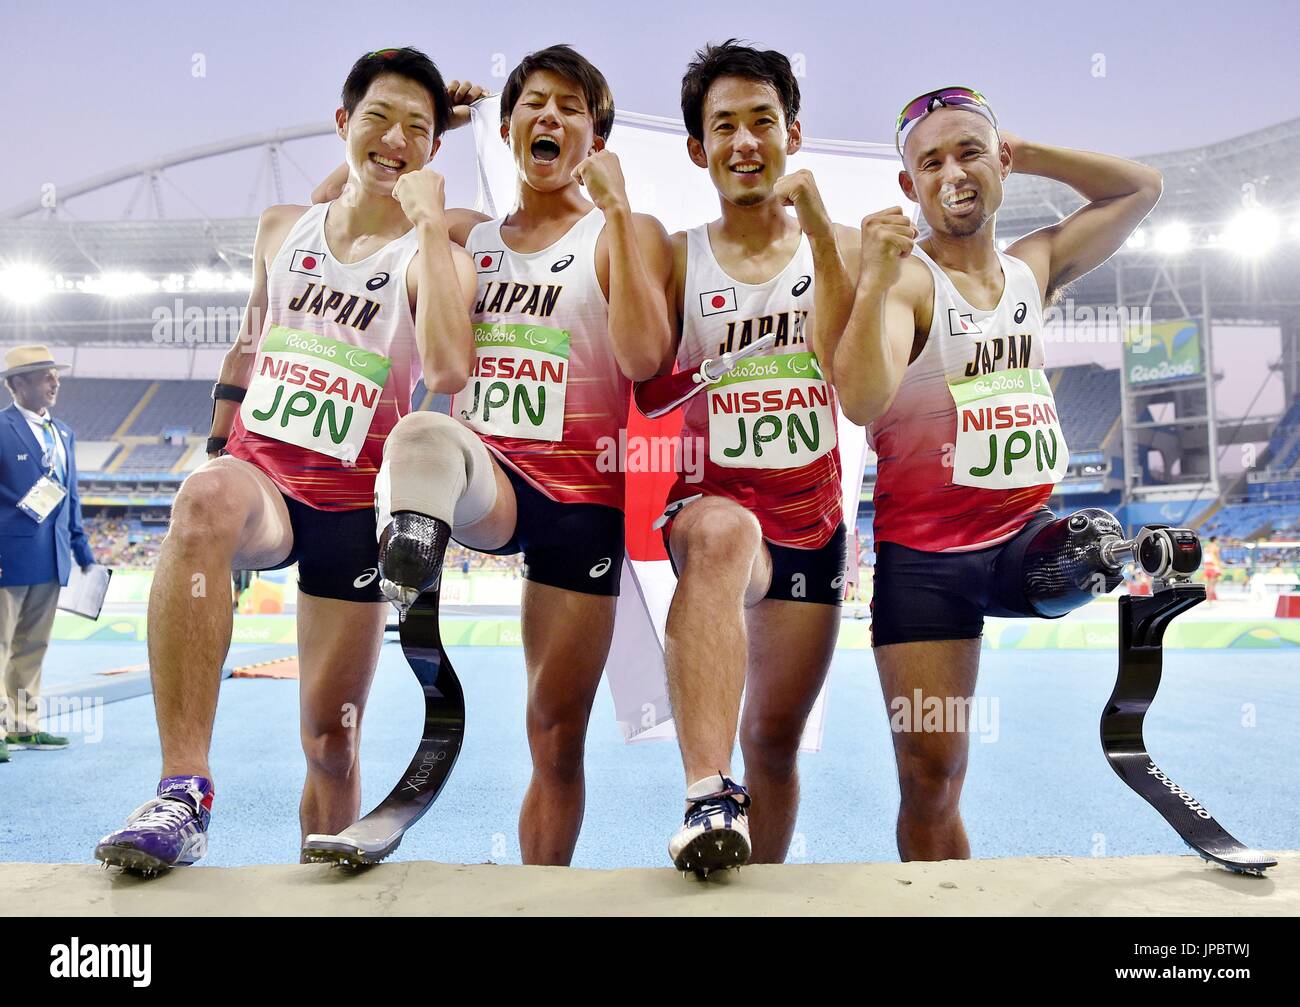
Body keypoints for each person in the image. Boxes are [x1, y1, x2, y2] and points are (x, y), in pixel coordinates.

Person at [94, 47, 478, 873]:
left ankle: (320, 886)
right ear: (342, 124)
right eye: (377, 117)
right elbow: (245, 345)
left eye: (419, 127)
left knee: (329, 745)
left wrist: (428, 222)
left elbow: (446, 369)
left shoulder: (435, 246)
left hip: (354, 509)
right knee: (200, 499)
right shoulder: (281, 227)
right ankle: (182, 792)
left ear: (435, 152)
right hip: (264, 479)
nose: (396, 138)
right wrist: (218, 448)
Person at [328, 45, 673, 866]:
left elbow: (644, 358)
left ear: (596, 137)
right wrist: (424, 131)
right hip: (491, 481)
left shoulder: (620, 233)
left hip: (581, 506)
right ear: (509, 123)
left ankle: (538, 890)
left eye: (571, 107)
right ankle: (414, 591)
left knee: (556, 737)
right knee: (421, 432)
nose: (549, 116)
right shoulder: (464, 233)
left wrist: (620, 215)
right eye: (533, 102)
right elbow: (343, 205)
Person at [828, 86, 1162, 861]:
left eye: (971, 152)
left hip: (1026, 545)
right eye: (931, 162)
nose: (954, 172)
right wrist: (874, 280)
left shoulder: (1032, 267)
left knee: (1096, 541)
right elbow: (860, 400)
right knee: (932, 777)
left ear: (1000, 164)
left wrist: (1022, 148)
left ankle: (1088, 561)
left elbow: (1142, 188)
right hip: (928, 568)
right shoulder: (910, 283)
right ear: (910, 187)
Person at [642, 41, 857, 873]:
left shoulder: (830, 245)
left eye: (761, 121)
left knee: (774, 740)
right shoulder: (676, 255)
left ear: (791, 134)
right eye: (722, 125)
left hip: (812, 520)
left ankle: (755, 886)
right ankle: (704, 794)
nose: (743, 142)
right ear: (698, 149)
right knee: (723, 534)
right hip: (714, 504)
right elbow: (646, 386)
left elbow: (848, 373)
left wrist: (831, 242)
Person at [0, 345, 98, 763]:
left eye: (55, 375)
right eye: (44, 376)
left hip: (51, 556)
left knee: (32, 647)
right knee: (1, 643)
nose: (54, 382)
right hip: (8, 555)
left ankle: (24, 725)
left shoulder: (64, 434)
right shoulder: (1, 428)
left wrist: (83, 552)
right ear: (16, 384)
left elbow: (69, 498)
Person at [1203, 535, 1222, 601]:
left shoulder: (1206, 547)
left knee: (1209, 583)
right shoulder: (1215, 547)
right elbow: (1217, 557)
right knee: (1213, 584)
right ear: (1215, 540)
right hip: (1213, 566)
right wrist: (1220, 565)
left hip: (1207, 567)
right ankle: (1209, 598)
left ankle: (1211, 597)